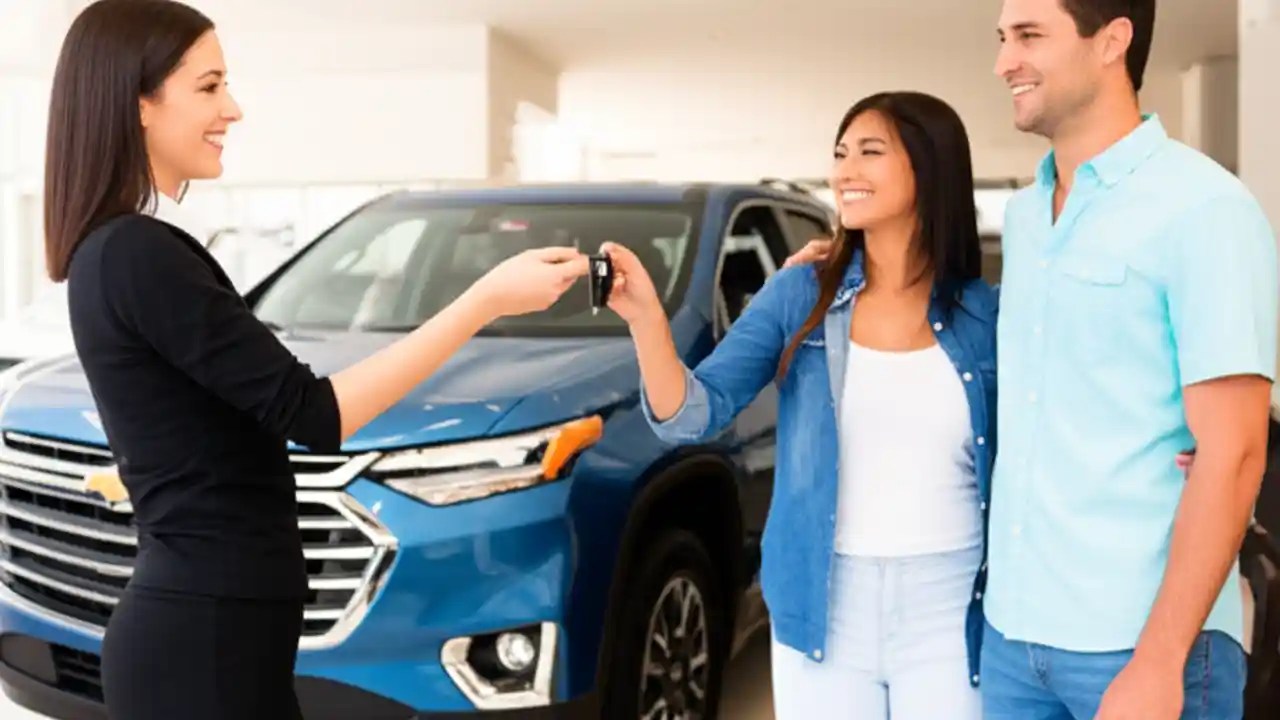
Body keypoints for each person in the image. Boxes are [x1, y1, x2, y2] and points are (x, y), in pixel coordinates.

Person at [42, 1, 587, 718]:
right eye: (208, 86)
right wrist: (485, 299)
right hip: (203, 649)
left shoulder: (118, 254)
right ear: (138, 100)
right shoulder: (136, 253)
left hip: (218, 637)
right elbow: (318, 413)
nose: (231, 109)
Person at [785, 1, 1278, 717]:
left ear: (1113, 41)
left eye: (1028, 37)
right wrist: (848, 269)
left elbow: (1234, 452)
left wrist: (1160, 659)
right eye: (1001, 39)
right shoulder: (1025, 216)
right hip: (1014, 639)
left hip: (1141, 642)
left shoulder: (1204, 209)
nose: (1002, 62)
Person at [603, 91, 998, 719]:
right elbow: (692, 414)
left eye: (871, 152)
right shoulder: (800, 294)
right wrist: (646, 318)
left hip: (955, 606)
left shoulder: (988, 315)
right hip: (822, 604)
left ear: (932, 166)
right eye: (840, 154)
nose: (845, 171)